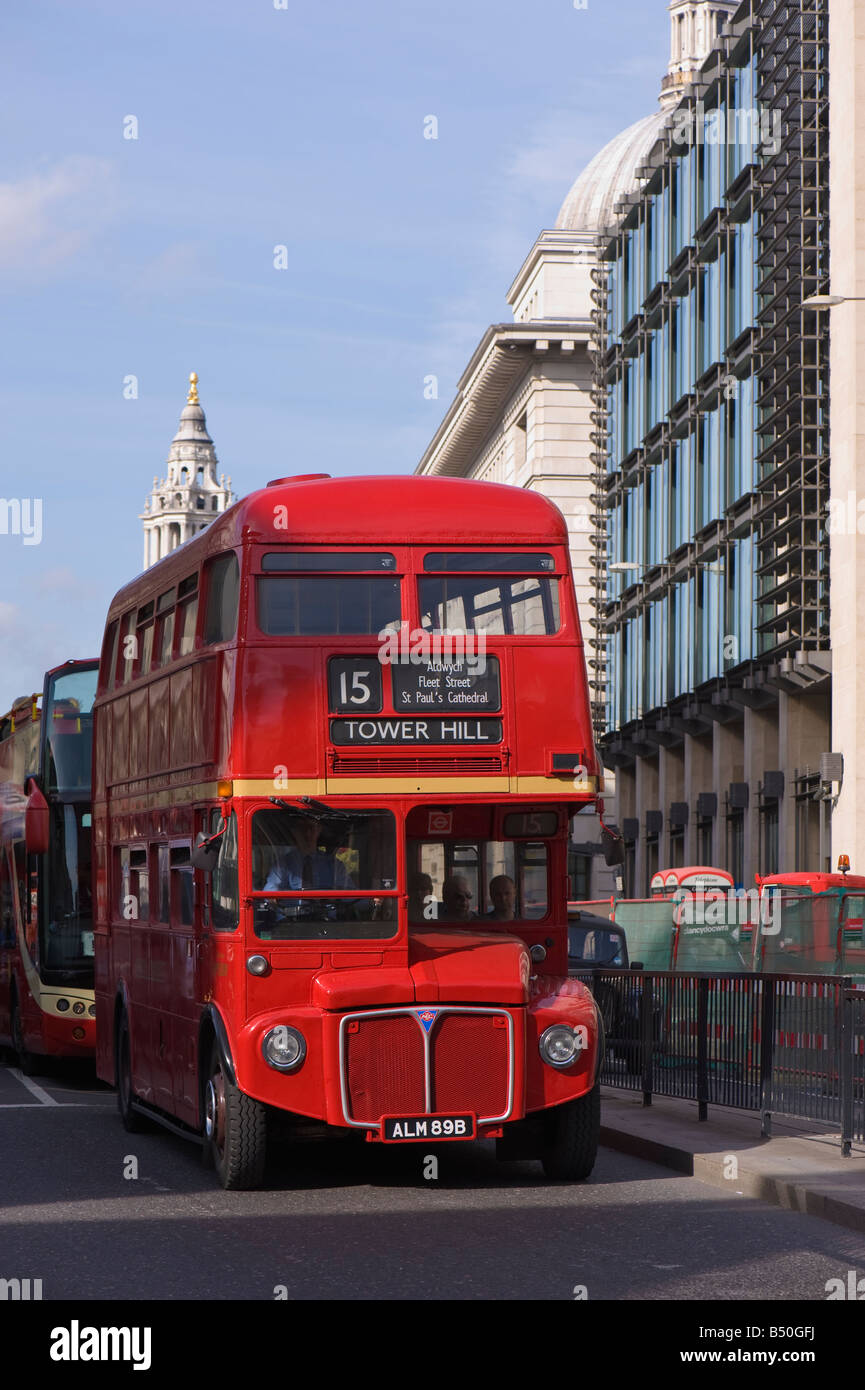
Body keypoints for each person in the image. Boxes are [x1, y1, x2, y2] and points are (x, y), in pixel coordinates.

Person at [262, 816, 353, 893]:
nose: (307, 834)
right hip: (291, 914)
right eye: (302, 828)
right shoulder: (283, 865)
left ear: (319, 830)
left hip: (325, 913)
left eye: (311, 827)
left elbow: (351, 894)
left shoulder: (334, 864)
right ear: (294, 832)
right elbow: (269, 891)